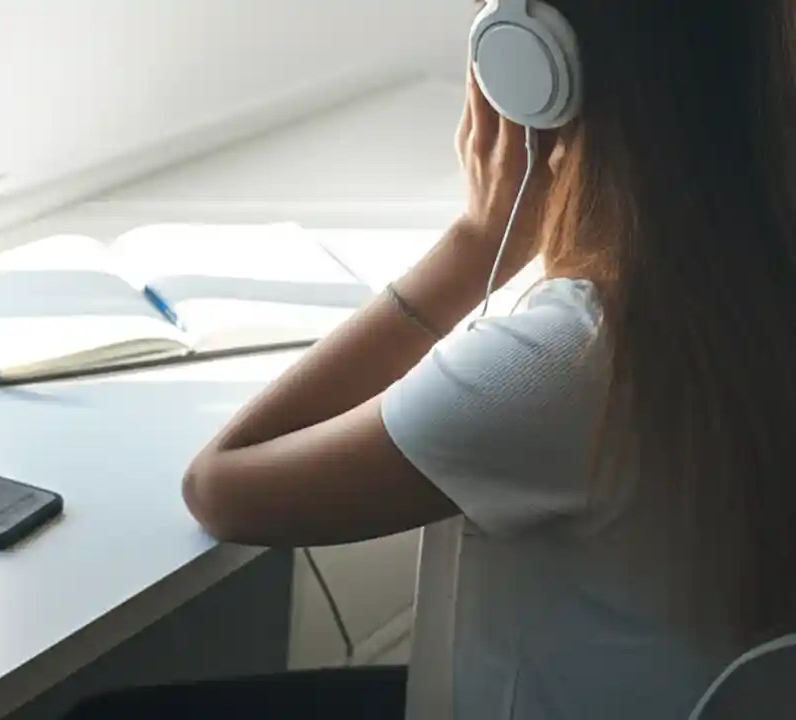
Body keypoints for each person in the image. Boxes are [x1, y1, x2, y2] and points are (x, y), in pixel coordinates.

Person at [66, 1, 796, 717]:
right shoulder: (741, 289)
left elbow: (218, 487)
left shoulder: (564, 363)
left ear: (534, 67)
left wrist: (477, 243)